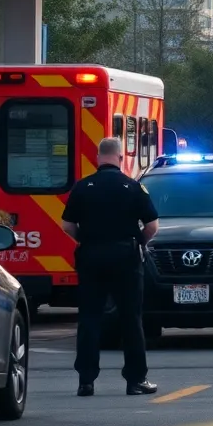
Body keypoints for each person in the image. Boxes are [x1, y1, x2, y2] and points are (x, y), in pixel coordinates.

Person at [61, 136, 160, 397]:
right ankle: (136, 380)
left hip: (91, 257)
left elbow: (67, 225)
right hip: (126, 258)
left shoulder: (83, 187)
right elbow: (152, 226)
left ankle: (86, 380)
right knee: (131, 319)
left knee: (90, 318)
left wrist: (86, 240)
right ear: (120, 158)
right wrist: (138, 242)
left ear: (97, 158)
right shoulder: (133, 187)